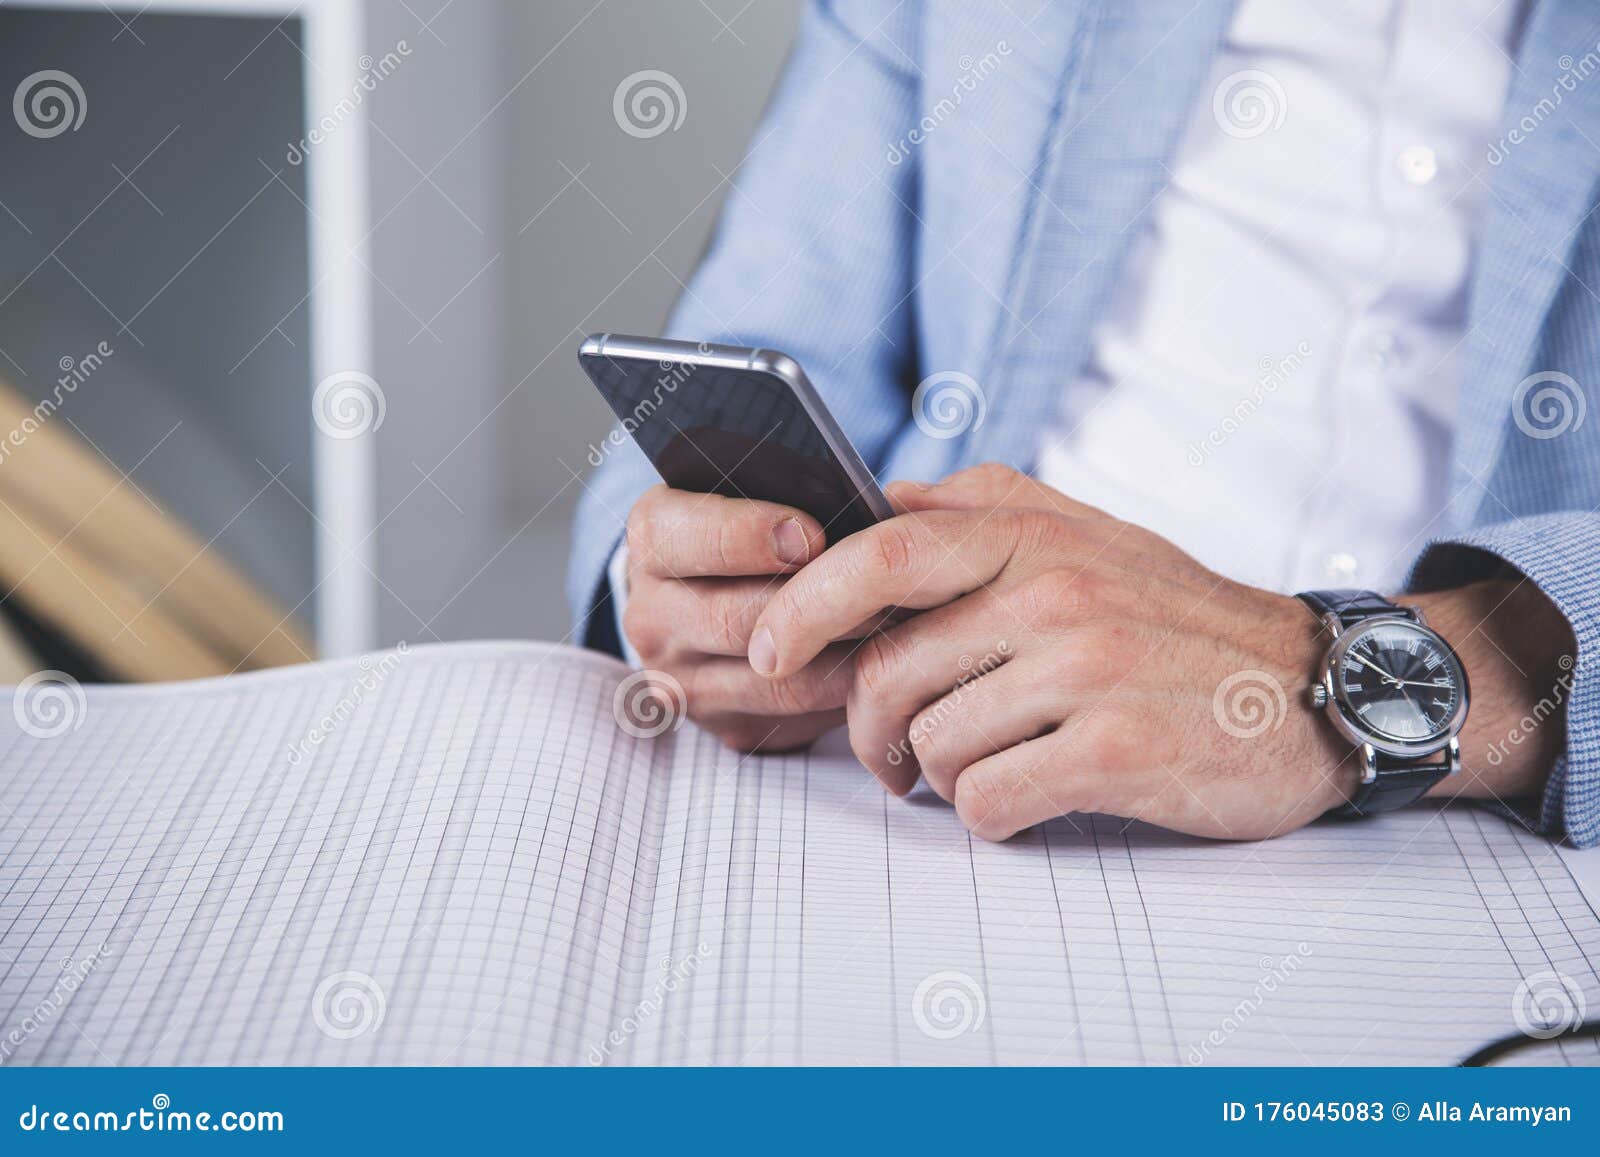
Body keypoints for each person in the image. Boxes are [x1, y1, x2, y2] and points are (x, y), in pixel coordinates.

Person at [570, 0, 1598, 846]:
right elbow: (758, 337)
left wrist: (1333, 683)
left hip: (1486, 823)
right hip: (918, 766)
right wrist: (681, 581)